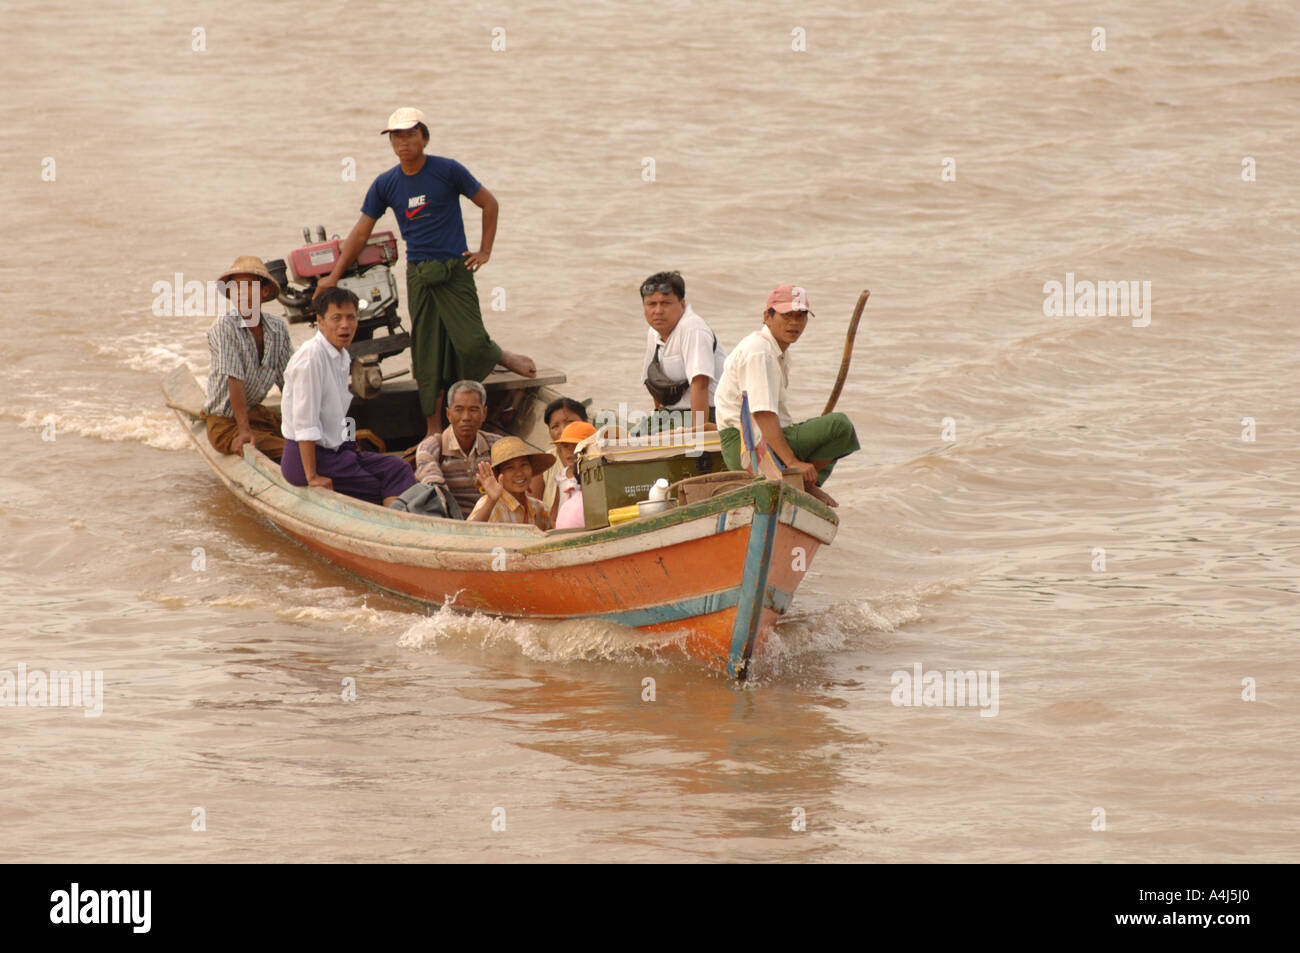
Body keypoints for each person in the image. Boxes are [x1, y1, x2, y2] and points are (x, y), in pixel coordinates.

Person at [313, 106, 536, 437]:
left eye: (410, 134)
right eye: (397, 136)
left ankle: (498, 354)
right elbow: (361, 232)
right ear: (391, 143)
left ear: (424, 137)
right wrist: (333, 276)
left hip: (455, 270)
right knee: (427, 353)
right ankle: (434, 428)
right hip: (419, 273)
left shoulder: (448, 171)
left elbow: (489, 204)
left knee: (472, 344)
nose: (404, 142)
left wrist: (485, 250)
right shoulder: (386, 183)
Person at [714, 285, 860, 503]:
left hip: (757, 438)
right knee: (839, 426)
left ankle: (803, 484)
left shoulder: (777, 352)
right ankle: (799, 481)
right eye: (787, 315)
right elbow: (762, 414)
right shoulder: (759, 351)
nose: (794, 323)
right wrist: (792, 462)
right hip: (747, 444)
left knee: (830, 437)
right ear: (768, 317)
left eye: (801, 317)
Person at [280, 287, 418, 506]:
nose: (345, 325)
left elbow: (337, 413)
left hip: (335, 452)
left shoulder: (341, 355)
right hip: (309, 459)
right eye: (336, 318)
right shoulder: (311, 358)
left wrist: (349, 446)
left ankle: (399, 514)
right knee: (376, 486)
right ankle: (396, 524)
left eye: (351, 318)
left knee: (398, 468)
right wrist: (312, 476)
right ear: (320, 321)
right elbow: (305, 423)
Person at [201, 256, 293, 461]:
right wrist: (244, 431)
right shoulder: (224, 327)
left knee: (315, 440)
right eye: (237, 287)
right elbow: (235, 381)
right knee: (294, 454)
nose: (242, 293)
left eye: (250, 286)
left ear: (265, 291)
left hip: (256, 414)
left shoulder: (277, 328)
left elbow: (289, 382)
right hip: (226, 423)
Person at [639, 270, 725, 432]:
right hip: (672, 413)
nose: (658, 311)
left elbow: (700, 384)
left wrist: (699, 438)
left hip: (712, 412)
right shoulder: (654, 332)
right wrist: (657, 416)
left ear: (682, 304)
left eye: (665, 303)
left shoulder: (693, 329)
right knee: (632, 437)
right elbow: (653, 381)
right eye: (651, 304)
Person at [412, 379, 500, 517]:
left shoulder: (496, 445)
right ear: (448, 414)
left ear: (484, 414)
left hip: (493, 520)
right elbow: (434, 491)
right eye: (459, 409)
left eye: (474, 409)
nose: (466, 417)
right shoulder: (431, 448)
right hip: (451, 523)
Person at [467, 436, 554, 529]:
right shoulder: (490, 505)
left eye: (523, 465)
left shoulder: (538, 508)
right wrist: (491, 501)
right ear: (498, 474)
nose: (519, 473)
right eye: (510, 468)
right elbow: (467, 533)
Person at [530, 396, 588, 504]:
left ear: (586, 422)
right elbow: (532, 509)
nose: (563, 430)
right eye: (555, 426)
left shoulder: (597, 458)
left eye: (570, 422)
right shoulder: (543, 464)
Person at [548, 420, 596, 525]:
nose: (570, 451)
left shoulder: (595, 475)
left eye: (576, 446)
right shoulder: (561, 477)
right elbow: (554, 514)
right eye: (565, 446)